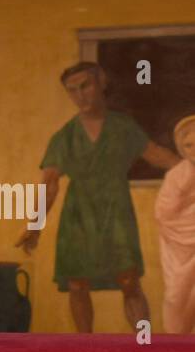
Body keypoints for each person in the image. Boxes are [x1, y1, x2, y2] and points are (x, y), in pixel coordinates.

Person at [18, 61, 179, 332]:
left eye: (85, 86)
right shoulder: (65, 136)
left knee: (129, 280)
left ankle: (145, 344)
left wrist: (188, 167)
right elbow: (49, 182)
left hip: (116, 212)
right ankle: (85, 347)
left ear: (101, 83)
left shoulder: (123, 126)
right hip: (78, 216)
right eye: (72, 90)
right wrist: (35, 226)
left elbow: (156, 154)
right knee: (78, 284)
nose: (80, 95)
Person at [154, 114, 195, 332]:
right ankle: (177, 345)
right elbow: (163, 213)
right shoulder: (176, 176)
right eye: (188, 145)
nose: (193, 150)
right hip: (178, 245)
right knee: (176, 296)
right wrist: (185, 192)